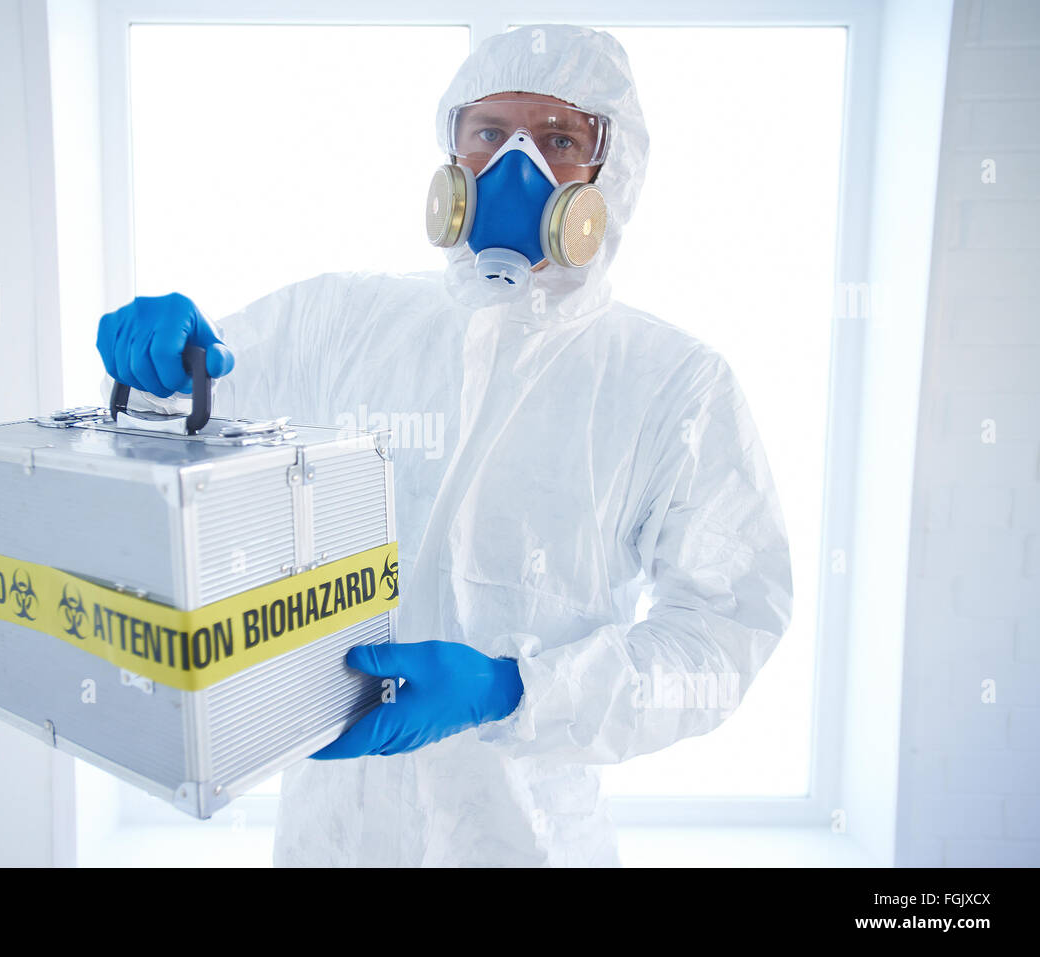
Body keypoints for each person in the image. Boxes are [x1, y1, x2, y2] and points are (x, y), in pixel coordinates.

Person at [96, 24, 792, 866]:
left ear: (610, 172)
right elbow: (173, 434)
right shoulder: (342, 322)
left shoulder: (673, 383)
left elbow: (723, 631)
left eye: (559, 138)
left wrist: (513, 691)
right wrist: (164, 367)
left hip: (531, 838)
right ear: (453, 155)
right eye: (491, 135)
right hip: (333, 833)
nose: (516, 166)